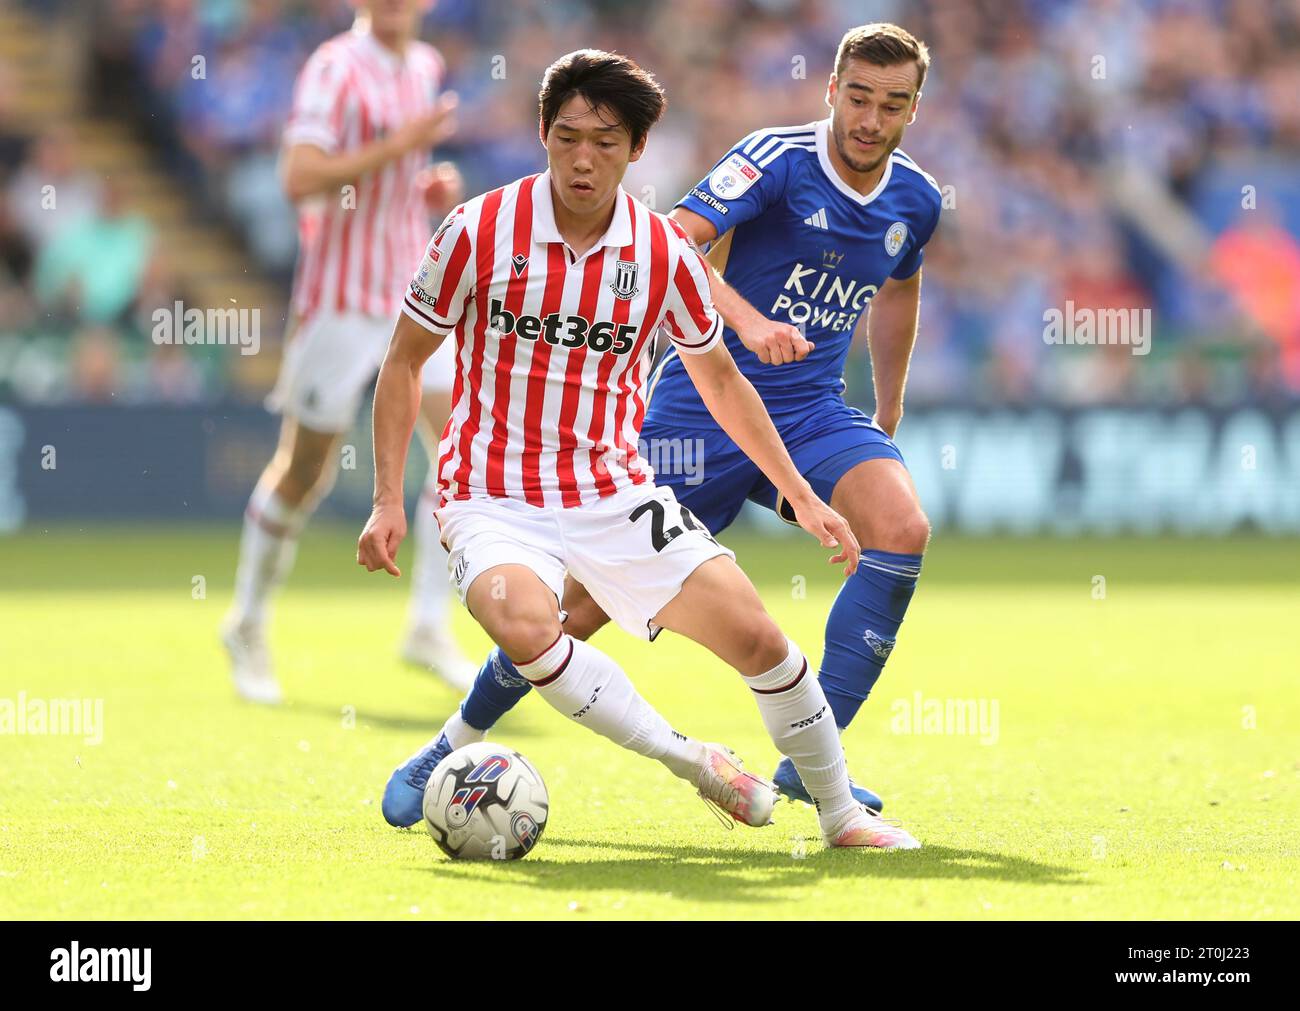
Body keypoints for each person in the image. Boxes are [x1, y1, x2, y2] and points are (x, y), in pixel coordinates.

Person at [361, 49, 919, 849]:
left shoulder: (660, 253)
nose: (583, 160)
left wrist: (800, 493)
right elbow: (404, 361)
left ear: (637, 149)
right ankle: (692, 761)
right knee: (529, 623)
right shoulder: (477, 229)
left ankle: (841, 815)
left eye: (605, 142)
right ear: (543, 134)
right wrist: (388, 497)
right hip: (491, 492)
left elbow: (722, 380)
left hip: (612, 489)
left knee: (760, 638)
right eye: (567, 137)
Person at [222, 0, 471, 704]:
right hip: (339, 298)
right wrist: (400, 148)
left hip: (411, 291)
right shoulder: (334, 67)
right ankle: (246, 621)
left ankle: (428, 624)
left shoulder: (424, 65)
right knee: (306, 470)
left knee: (460, 450)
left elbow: (387, 181)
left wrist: (425, 187)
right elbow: (299, 177)